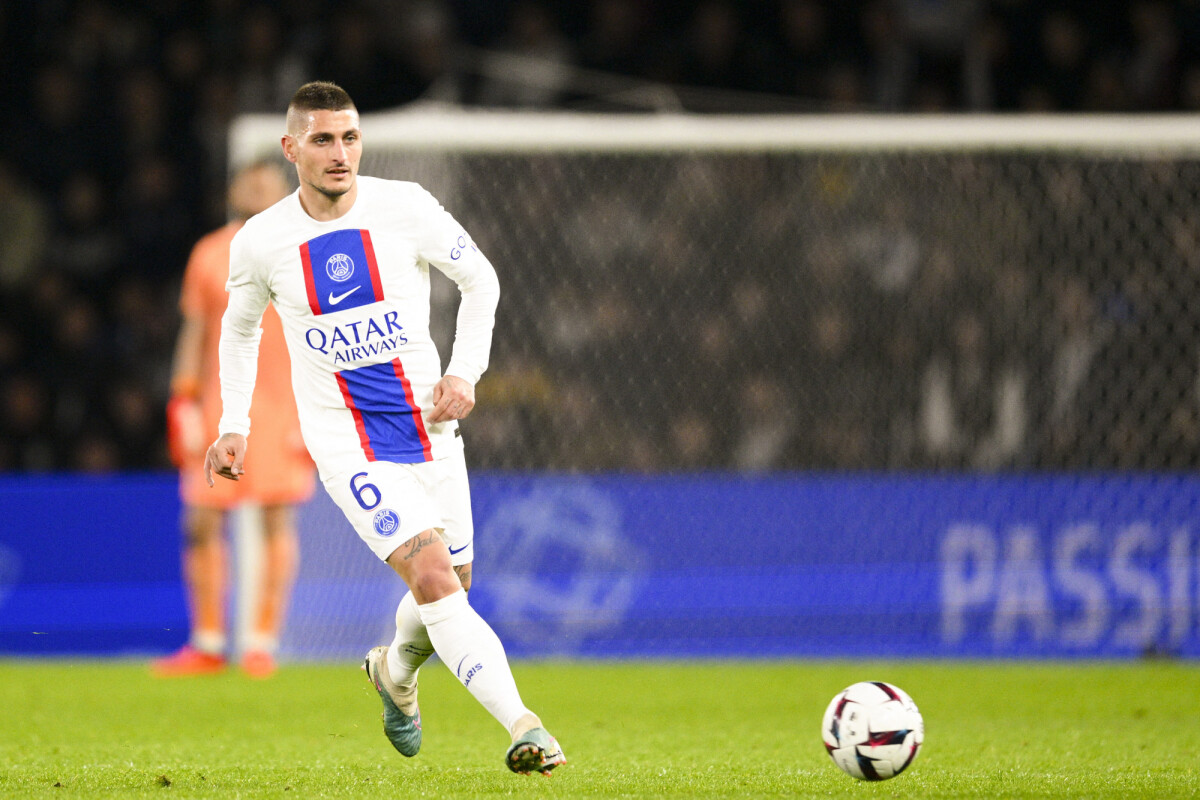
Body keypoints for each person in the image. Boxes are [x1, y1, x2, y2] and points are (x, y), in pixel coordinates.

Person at [204, 81, 565, 775]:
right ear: (291, 149)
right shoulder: (262, 242)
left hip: (429, 428)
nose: (340, 153)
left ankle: (394, 671)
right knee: (432, 574)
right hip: (348, 444)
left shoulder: (406, 206)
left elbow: (481, 280)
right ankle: (525, 726)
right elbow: (240, 331)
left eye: (350, 137)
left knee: (453, 581)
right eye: (322, 140)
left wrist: (464, 373)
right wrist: (233, 423)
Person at [154, 161, 315, 679]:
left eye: (266, 183)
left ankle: (262, 643)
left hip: (283, 408)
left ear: (284, 191)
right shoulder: (208, 253)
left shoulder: (306, 251)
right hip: (219, 408)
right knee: (201, 521)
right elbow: (195, 330)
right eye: (249, 181)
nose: (256, 189)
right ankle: (207, 641)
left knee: (275, 519)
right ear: (233, 190)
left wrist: (318, 409)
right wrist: (182, 401)